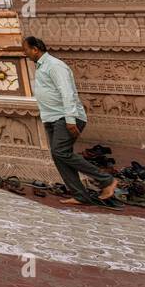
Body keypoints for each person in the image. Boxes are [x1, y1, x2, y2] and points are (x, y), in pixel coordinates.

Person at [24, 35, 118, 206]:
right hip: (52, 118)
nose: (26, 54)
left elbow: (66, 92)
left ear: (35, 49)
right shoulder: (41, 67)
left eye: (26, 50)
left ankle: (106, 180)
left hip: (66, 117)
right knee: (58, 155)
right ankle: (80, 195)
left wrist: (70, 119)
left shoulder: (54, 65)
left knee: (61, 152)